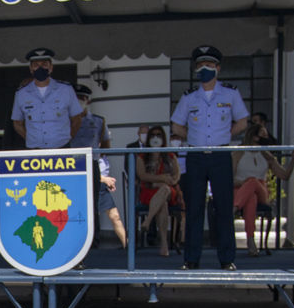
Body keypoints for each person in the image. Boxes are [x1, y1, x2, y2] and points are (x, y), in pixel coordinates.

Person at [170, 44, 248, 269]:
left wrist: (225, 136)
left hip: (220, 155)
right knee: (194, 208)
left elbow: (242, 121)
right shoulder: (189, 97)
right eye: (201, 65)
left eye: (209, 64)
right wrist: (193, 137)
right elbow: (176, 125)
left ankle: (227, 259)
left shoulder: (230, 93)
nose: (205, 68)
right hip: (196, 155)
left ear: (218, 68)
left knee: (224, 207)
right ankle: (191, 259)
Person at [70, 84, 127, 248]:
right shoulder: (65, 121)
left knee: (92, 205)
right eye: (77, 98)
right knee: (73, 204)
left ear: (88, 100)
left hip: (91, 162)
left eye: (82, 98)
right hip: (72, 164)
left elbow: (106, 145)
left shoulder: (98, 121)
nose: (80, 101)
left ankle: (93, 241)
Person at [230, 113, 286, 257]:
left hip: (261, 189)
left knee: (253, 182)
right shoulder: (239, 153)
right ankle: (251, 241)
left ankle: (234, 209)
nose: (266, 138)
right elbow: (230, 178)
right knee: (251, 198)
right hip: (240, 188)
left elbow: (284, 175)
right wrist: (242, 182)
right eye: (263, 135)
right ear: (254, 137)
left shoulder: (266, 154)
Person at [12, 47, 82, 150]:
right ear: (31, 69)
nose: (40, 68)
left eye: (44, 64)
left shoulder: (66, 90)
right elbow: (17, 123)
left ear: (51, 67)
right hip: (34, 150)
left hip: (62, 148)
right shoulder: (21, 94)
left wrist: (67, 138)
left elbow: (77, 119)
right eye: (36, 65)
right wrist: (31, 139)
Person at [136, 125, 182, 256]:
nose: (156, 138)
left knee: (166, 189)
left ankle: (148, 220)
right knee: (163, 204)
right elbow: (142, 175)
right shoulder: (142, 157)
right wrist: (161, 179)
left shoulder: (170, 155)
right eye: (153, 135)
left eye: (159, 135)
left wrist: (161, 182)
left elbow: (175, 176)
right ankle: (164, 245)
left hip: (169, 192)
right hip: (149, 191)